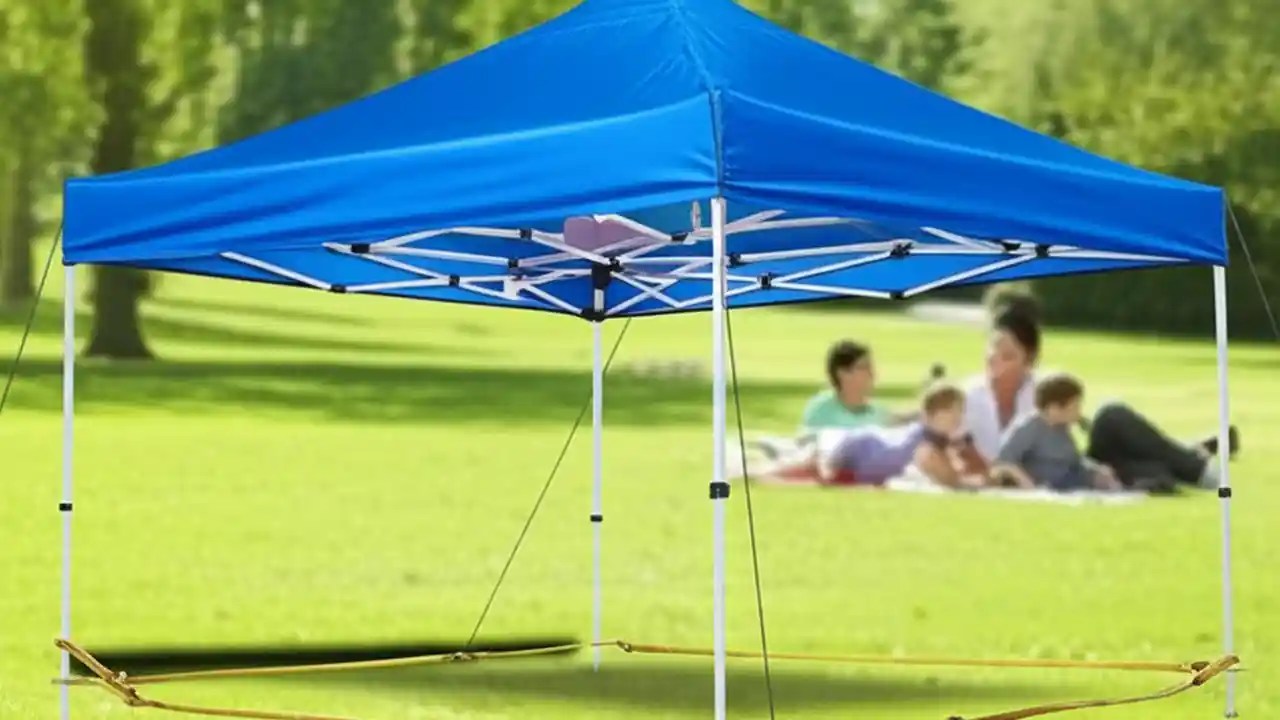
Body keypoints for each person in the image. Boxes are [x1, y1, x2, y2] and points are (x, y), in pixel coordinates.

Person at [966, 301, 1238, 493]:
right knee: (1152, 472)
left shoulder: (1043, 390)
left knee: (1111, 416)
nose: (995, 363)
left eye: (1008, 357)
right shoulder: (969, 397)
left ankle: (1196, 465)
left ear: (1030, 360)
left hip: (1077, 466)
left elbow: (1079, 429)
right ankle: (1192, 453)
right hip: (1049, 477)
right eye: (991, 353)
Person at [764, 382, 970, 487]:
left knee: (811, 470)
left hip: (863, 450)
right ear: (931, 415)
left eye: (960, 411)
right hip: (859, 447)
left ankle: (765, 472)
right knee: (813, 471)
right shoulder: (927, 445)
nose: (958, 417)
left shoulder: (932, 439)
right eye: (951, 411)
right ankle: (760, 475)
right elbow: (951, 480)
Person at [993, 373, 1124, 492]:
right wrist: (1029, 486)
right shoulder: (1030, 427)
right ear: (1054, 408)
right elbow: (1005, 462)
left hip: (1072, 481)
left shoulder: (1062, 429)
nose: (1078, 411)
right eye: (1074, 406)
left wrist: (1097, 471)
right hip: (1049, 485)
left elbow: (1073, 461)